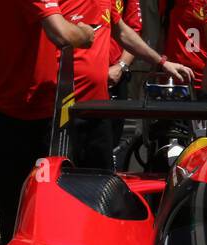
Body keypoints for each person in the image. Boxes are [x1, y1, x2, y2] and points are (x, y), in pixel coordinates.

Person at [0, 0, 92, 245]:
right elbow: (61, 33)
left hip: (1, 95)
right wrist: (85, 33)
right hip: (32, 100)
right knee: (45, 183)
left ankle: (10, 244)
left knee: (11, 178)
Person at [63, 0, 194, 168]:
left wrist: (162, 62)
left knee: (102, 178)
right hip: (62, 106)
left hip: (97, 106)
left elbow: (123, 31)